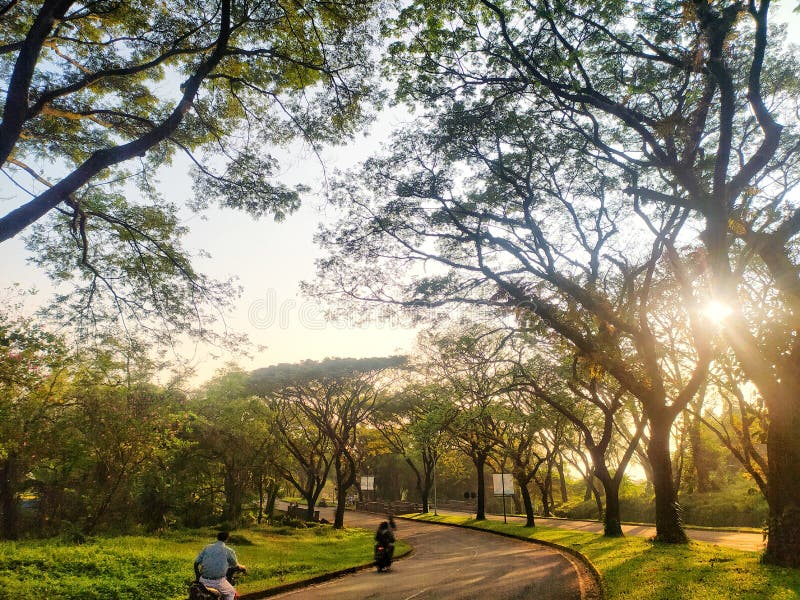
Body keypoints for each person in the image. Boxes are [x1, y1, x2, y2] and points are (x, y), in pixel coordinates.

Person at [194, 531, 247, 600]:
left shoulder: (207, 547)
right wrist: (244, 568)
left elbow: (196, 563)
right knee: (231, 593)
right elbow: (235, 565)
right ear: (227, 539)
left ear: (217, 538)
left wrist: (197, 575)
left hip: (203, 580)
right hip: (218, 582)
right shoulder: (228, 551)